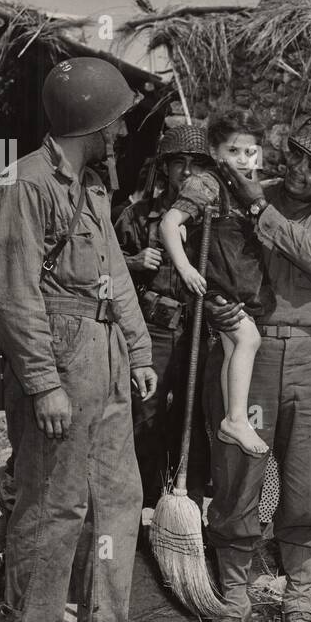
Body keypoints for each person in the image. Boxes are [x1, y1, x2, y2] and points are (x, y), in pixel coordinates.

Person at [0, 57, 159, 622]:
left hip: (105, 352)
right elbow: (12, 294)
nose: (121, 133)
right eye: (115, 122)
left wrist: (137, 349)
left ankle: (105, 619)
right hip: (60, 354)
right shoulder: (23, 185)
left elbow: (114, 278)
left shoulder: (91, 188)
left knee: (118, 491)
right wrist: (42, 383)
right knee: (54, 498)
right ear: (92, 123)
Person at [192, 116, 311, 622]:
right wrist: (214, 296)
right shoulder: (246, 196)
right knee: (238, 477)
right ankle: (233, 600)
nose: (299, 170)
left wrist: (261, 211)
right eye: (296, 156)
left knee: (308, 486)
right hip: (251, 352)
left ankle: (299, 599)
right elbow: (205, 253)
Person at [160, 116, 273, 459]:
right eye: (233, 150)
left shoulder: (245, 187)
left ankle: (230, 420)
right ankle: (236, 418)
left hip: (238, 283)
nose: (243, 158)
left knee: (233, 345)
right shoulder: (208, 183)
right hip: (218, 280)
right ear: (215, 151)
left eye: (249, 151)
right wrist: (185, 268)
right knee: (248, 339)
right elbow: (169, 222)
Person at [113, 120, 206, 508]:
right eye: (179, 162)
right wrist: (133, 261)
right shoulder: (137, 216)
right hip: (154, 330)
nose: (187, 172)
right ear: (164, 167)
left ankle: (185, 506)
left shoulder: (213, 219)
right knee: (144, 417)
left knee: (195, 418)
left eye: (195, 164)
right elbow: (100, 266)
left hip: (202, 333)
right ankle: (139, 504)